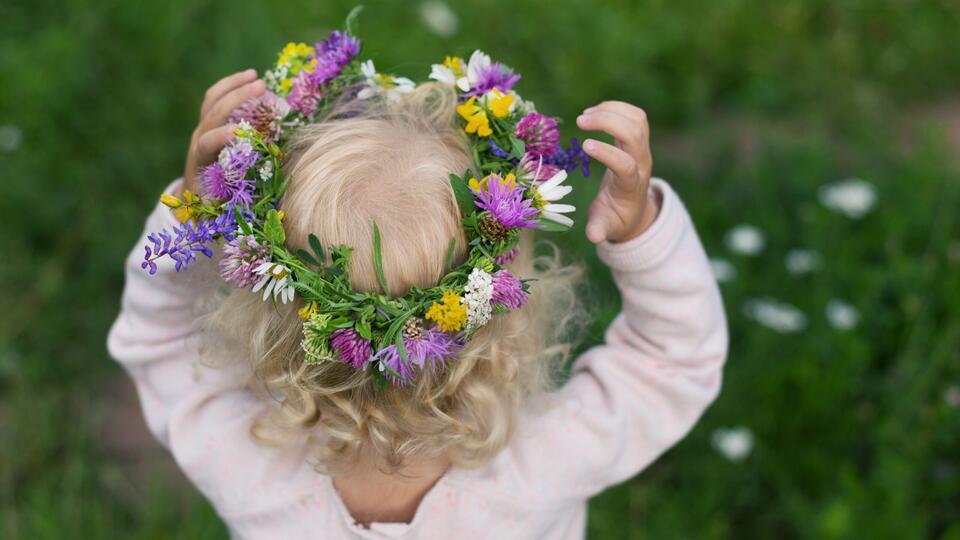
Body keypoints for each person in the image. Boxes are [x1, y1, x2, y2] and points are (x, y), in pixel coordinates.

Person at [108, 43, 727, 539]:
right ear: (497, 308)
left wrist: (194, 217)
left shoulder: (249, 468)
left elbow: (158, 342)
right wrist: (642, 230)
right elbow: (672, 362)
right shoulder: (541, 465)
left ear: (266, 316)